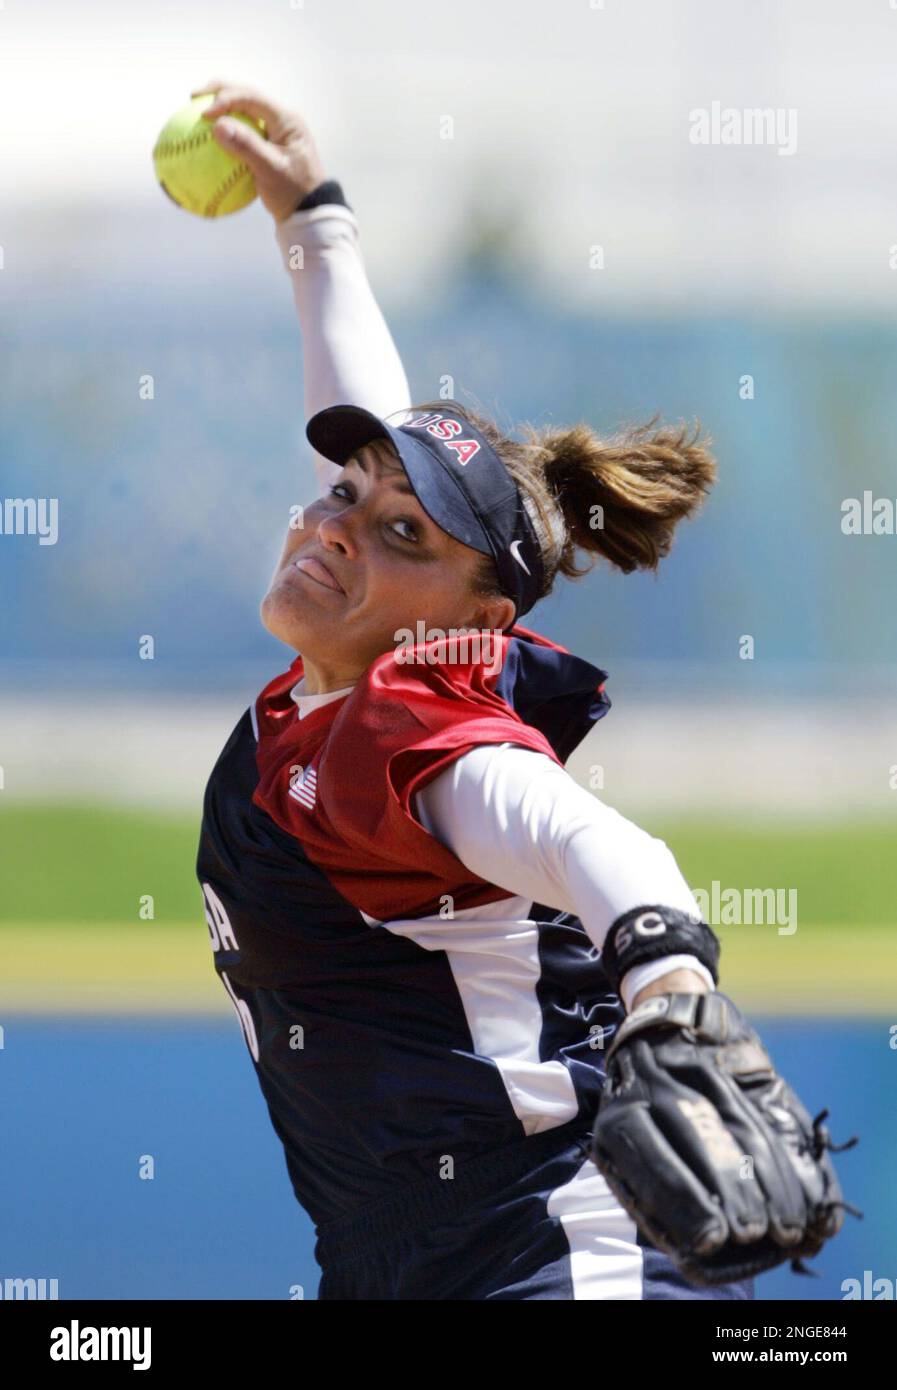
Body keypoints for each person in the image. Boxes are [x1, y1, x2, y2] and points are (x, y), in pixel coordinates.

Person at [190, 80, 798, 1301]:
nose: (338, 526)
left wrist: (670, 979)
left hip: (554, 1254)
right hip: (419, 1266)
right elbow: (358, 415)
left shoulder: (404, 727)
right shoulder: (360, 676)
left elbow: (582, 836)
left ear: (480, 620)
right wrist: (314, 218)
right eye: (345, 494)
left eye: (399, 531)